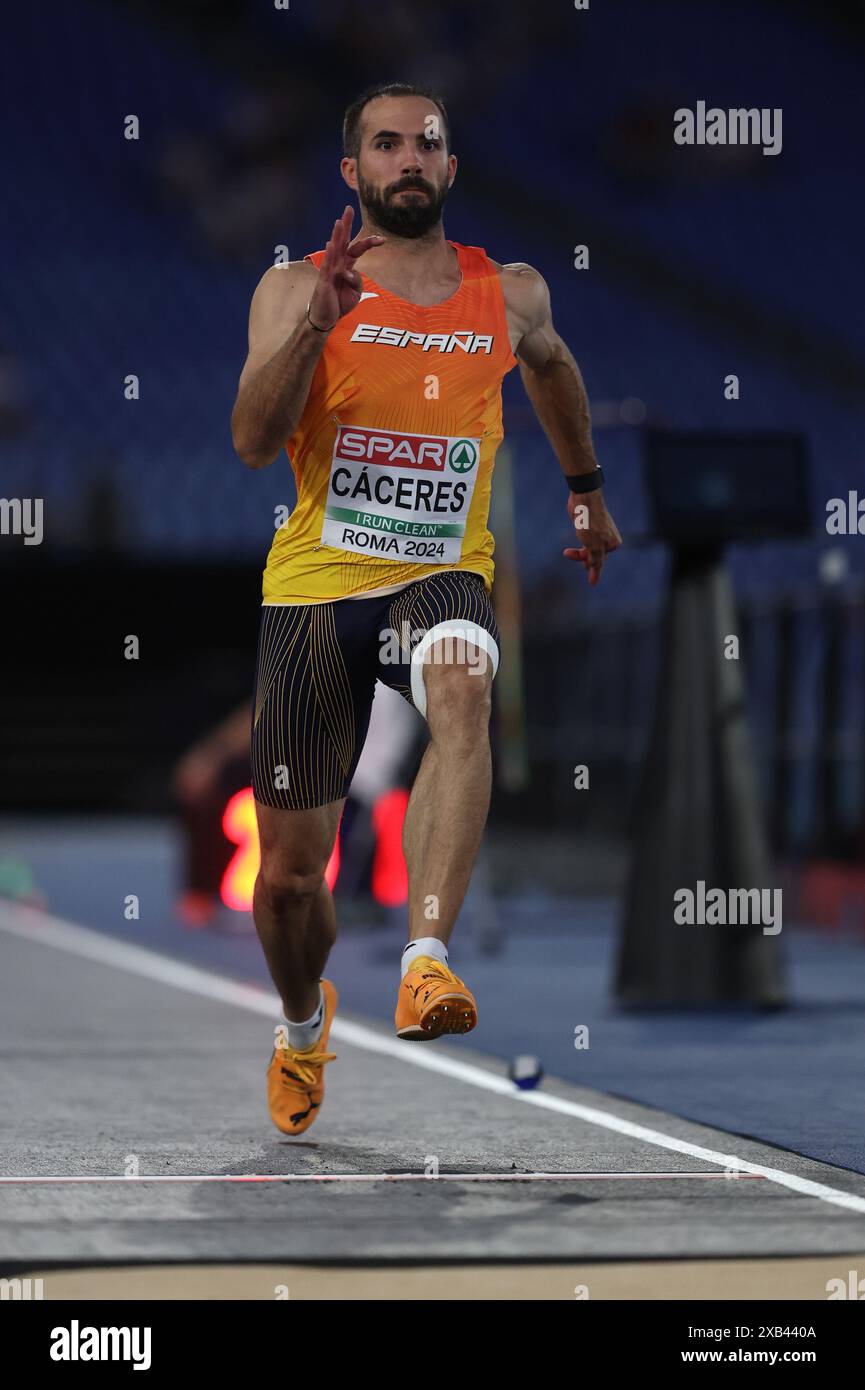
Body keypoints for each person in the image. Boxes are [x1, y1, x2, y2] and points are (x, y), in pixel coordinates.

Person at [230, 82, 621, 1135]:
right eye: (386, 144)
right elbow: (253, 443)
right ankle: (304, 1023)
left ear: (450, 170)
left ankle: (424, 959)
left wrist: (584, 490)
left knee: (461, 683)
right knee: (289, 881)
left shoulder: (512, 292)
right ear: (350, 173)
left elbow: (553, 370)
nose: (410, 158)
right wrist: (313, 331)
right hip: (315, 589)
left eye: (428, 144)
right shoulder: (292, 287)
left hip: (439, 573)